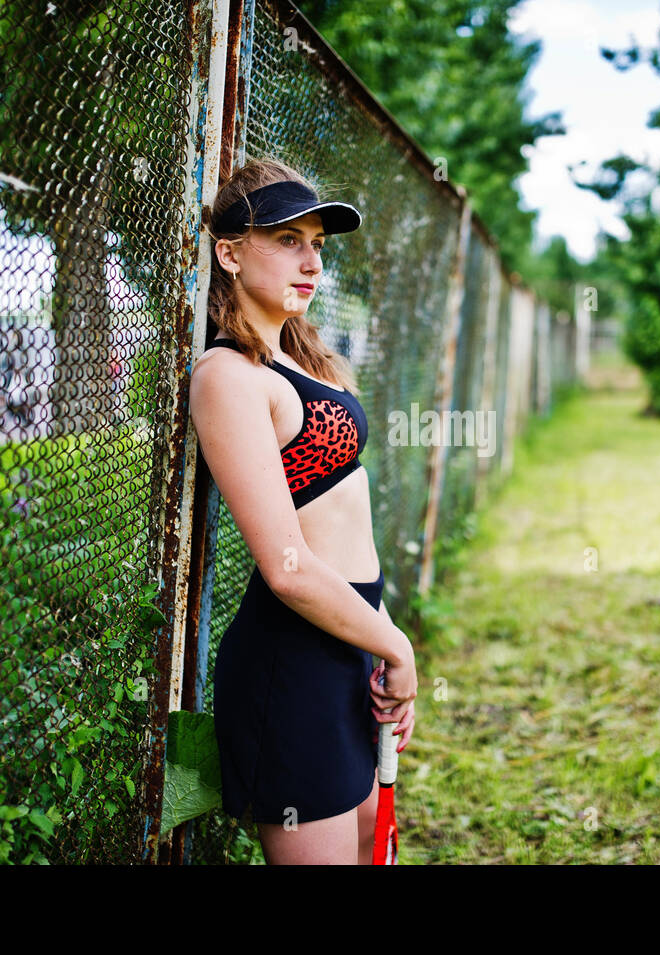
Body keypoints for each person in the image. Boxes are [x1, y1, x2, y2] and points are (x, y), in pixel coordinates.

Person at [189, 159, 417, 865]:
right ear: (229, 253)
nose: (312, 260)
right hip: (291, 668)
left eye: (317, 242)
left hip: (351, 644)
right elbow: (287, 569)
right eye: (288, 239)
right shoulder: (226, 375)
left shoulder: (304, 358)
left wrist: (379, 638)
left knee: (370, 851)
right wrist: (397, 647)